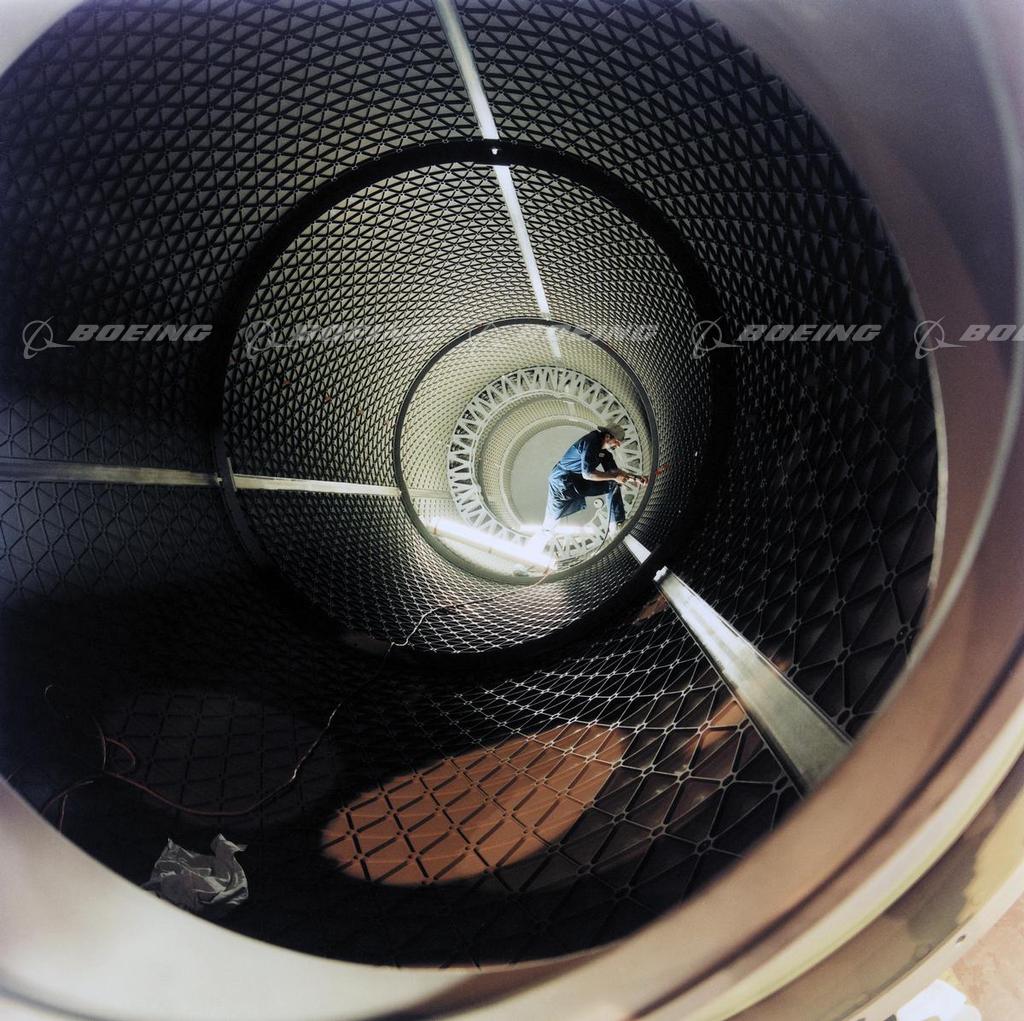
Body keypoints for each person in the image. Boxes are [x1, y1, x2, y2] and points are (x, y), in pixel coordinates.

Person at [525, 425, 647, 557]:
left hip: (576, 483)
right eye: (616, 442)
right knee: (549, 526)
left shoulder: (604, 453)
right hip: (561, 484)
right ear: (607, 436)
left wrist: (636, 478)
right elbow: (588, 474)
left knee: (612, 484)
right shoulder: (591, 441)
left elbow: (615, 473)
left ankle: (615, 527)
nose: (617, 446)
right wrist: (615, 477)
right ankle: (527, 557)